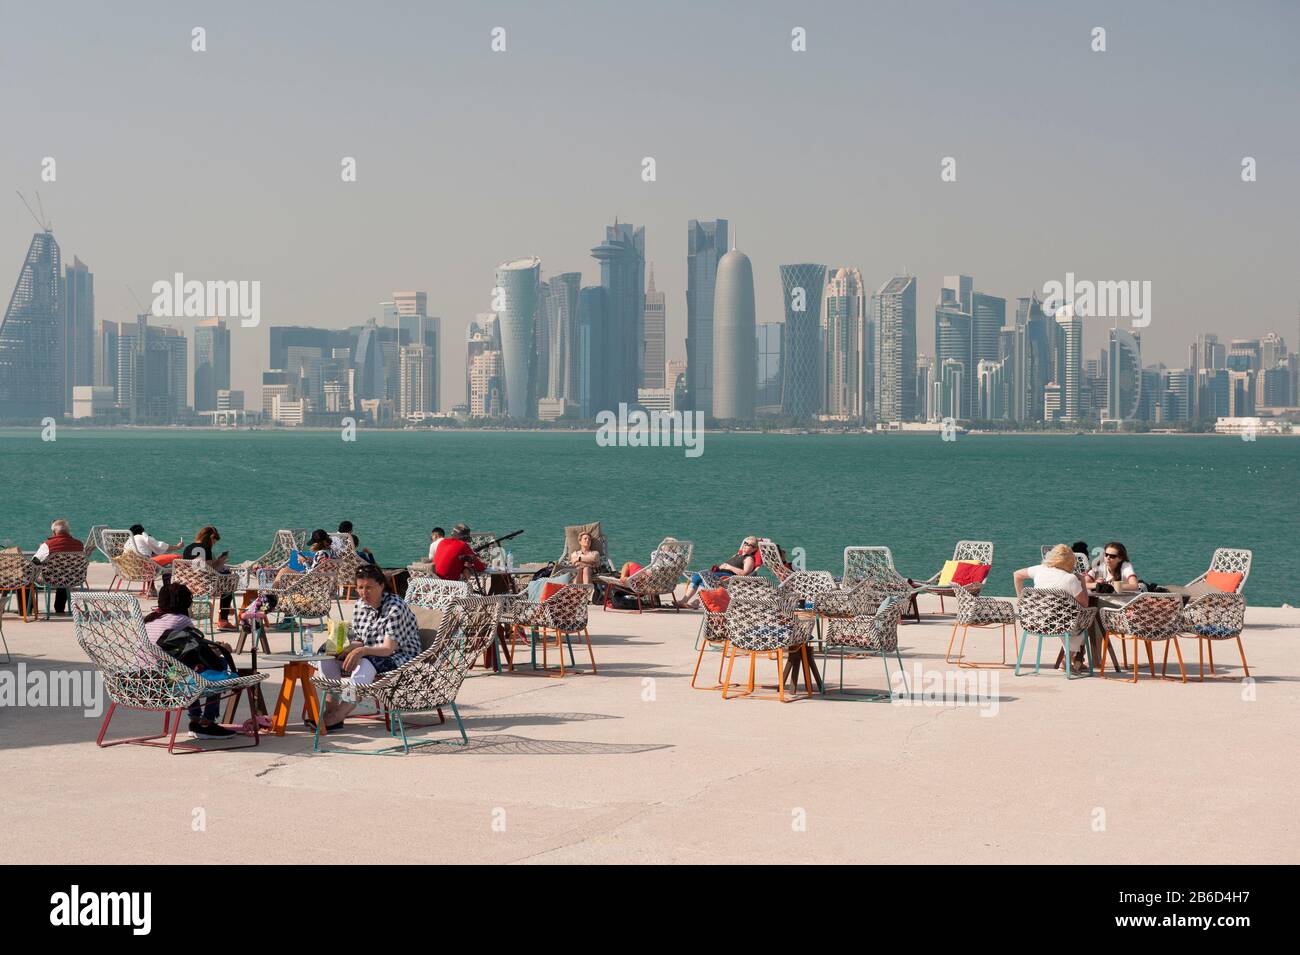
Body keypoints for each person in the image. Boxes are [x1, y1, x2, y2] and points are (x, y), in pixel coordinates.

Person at [311, 564, 423, 729]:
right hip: (370, 651)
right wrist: (347, 646)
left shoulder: (395, 607)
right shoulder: (360, 605)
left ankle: (339, 715)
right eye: (360, 587)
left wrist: (361, 651)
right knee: (326, 652)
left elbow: (388, 649)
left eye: (369, 587)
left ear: (382, 585)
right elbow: (362, 639)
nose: (364, 592)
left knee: (366, 663)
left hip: (400, 656)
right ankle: (332, 707)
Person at [143, 583, 237, 740]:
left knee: (186, 666)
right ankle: (206, 722)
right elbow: (199, 649)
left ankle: (196, 719)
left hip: (144, 680)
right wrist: (223, 647)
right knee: (218, 664)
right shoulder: (181, 620)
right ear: (185, 603)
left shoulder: (149, 620)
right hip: (167, 682)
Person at [1014, 543, 1091, 674]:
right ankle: (1068, 660)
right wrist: (1082, 582)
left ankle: (1074, 660)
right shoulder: (1070, 579)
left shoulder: (1040, 569)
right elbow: (1084, 604)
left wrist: (1021, 601)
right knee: (1084, 621)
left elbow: (1017, 575)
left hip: (1036, 621)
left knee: (1069, 620)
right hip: (1061, 624)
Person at [676, 536, 760, 609]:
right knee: (698, 578)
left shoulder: (749, 559)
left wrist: (729, 567)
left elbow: (745, 573)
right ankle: (694, 602)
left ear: (754, 549)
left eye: (749, 545)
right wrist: (721, 567)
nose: (745, 545)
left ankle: (686, 601)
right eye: (745, 543)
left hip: (727, 578)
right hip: (720, 574)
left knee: (699, 576)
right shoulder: (737, 555)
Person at [181, 525, 237, 631]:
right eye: (214, 542)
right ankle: (223, 620)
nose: (213, 544)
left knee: (226, 578)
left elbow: (200, 567)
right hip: (205, 586)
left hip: (189, 585)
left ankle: (225, 614)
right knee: (229, 582)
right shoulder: (205, 549)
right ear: (210, 538)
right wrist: (221, 561)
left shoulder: (187, 548)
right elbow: (210, 569)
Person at [32, 519, 83, 615]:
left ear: (54, 532)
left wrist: (42, 548)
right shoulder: (79, 544)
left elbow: (34, 562)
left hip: (51, 579)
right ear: (68, 531)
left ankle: (27, 609)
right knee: (64, 573)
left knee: (27, 574)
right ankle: (59, 608)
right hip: (73, 578)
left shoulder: (47, 545)